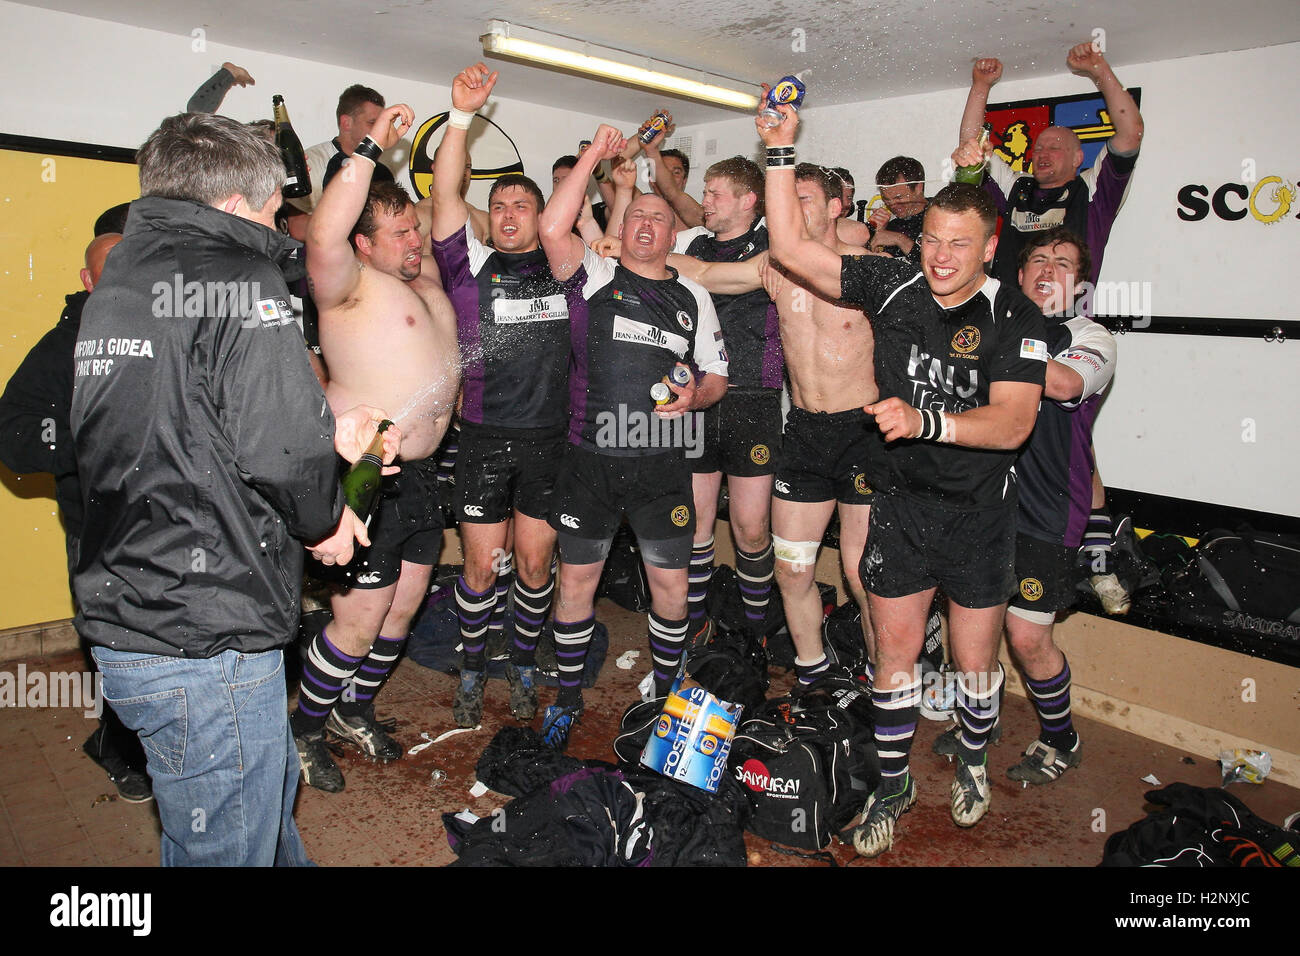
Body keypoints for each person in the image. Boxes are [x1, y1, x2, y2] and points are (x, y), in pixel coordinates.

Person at [70, 111, 394, 865]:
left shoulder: (126, 279)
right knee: (227, 844)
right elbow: (278, 450)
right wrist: (329, 517)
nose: (280, 218)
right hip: (203, 628)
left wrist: (326, 439)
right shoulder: (235, 277)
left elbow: (189, 426)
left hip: (137, 607)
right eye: (277, 206)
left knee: (262, 804)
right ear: (238, 203)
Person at [758, 102, 1048, 859]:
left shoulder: (1016, 315)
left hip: (980, 515)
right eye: (932, 240)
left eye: (960, 244)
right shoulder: (890, 284)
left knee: (976, 664)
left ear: (990, 247)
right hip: (900, 507)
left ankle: (974, 759)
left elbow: (1014, 422)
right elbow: (788, 243)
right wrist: (781, 150)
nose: (942, 256)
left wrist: (928, 423)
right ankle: (893, 783)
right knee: (894, 659)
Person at [537, 124, 728, 751]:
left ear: (675, 233)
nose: (647, 225)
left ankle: (670, 694)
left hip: (661, 468)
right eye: (637, 216)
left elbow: (719, 376)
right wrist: (595, 155)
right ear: (624, 229)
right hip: (590, 461)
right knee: (576, 585)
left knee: (672, 588)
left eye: (659, 218)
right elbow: (550, 229)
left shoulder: (694, 296)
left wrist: (695, 396)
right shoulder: (592, 276)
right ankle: (567, 697)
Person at [293, 103, 460, 792]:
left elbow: (445, 195)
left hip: (420, 479)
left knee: (403, 606)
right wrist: (366, 150)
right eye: (396, 234)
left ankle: (351, 709)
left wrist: (462, 121)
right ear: (363, 245)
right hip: (366, 475)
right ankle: (300, 730)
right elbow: (325, 231)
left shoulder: (424, 284)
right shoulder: (346, 289)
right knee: (356, 623)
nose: (413, 242)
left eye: (413, 229)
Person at [674, 163, 880, 686]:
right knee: (793, 568)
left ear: (837, 207)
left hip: (863, 433)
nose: (792, 212)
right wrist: (631, 249)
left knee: (860, 574)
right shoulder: (776, 266)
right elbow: (703, 273)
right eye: (789, 202)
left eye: (805, 200)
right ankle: (812, 678)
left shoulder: (875, 271)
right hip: (805, 433)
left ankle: (884, 678)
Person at [958, 41, 1144, 614]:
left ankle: (1098, 561)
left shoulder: (1094, 197)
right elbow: (968, 162)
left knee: (1075, 451)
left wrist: (1098, 71)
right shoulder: (1011, 197)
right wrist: (981, 90)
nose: (1045, 152)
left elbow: (1130, 135)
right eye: (1038, 147)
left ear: (1081, 160)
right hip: (1004, 327)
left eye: (1058, 146)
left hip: (1062, 330)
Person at [936, 227, 1116, 784]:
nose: (1047, 270)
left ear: (1080, 283)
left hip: (1045, 512)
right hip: (980, 503)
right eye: (1038, 259)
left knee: (1028, 636)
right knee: (971, 625)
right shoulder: (990, 323)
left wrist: (998, 339)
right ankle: (980, 721)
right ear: (1018, 274)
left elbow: (1062, 385)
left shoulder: (1092, 337)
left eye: (1062, 263)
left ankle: (1062, 738)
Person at [427, 64, 571, 728]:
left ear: (542, 216)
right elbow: (446, 190)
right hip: (484, 439)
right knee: (482, 568)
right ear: (490, 217)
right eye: (502, 206)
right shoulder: (466, 266)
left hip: (551, 441)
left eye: (524, 206)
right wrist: (460, 117)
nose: (511, 215)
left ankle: (519, 664)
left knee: (536, 566)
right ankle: (472, 665)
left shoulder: (566, 270)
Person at [0, 223, 153, 804]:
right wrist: (88, 441)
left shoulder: (176, 330)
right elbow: (13, 432)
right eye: (108, 270)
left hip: (174, 526)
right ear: (89, 283)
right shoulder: (64, 345)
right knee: (117, 644)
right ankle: (119, 747)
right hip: (99, 532)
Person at [290, 84, 393, 214]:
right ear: (346, 123)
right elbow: (297, 227)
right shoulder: (313, 161)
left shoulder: (382, 170)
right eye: (372, 123)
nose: (380, 129)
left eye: (381, 124)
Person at [868, 156, 928, 260]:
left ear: (918, 188)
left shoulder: (939, 215)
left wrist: (899, 240)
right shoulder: (890, 224)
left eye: (898, 198)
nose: (892, 205)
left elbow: (935, 262)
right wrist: (874, 235)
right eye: (886, 199)